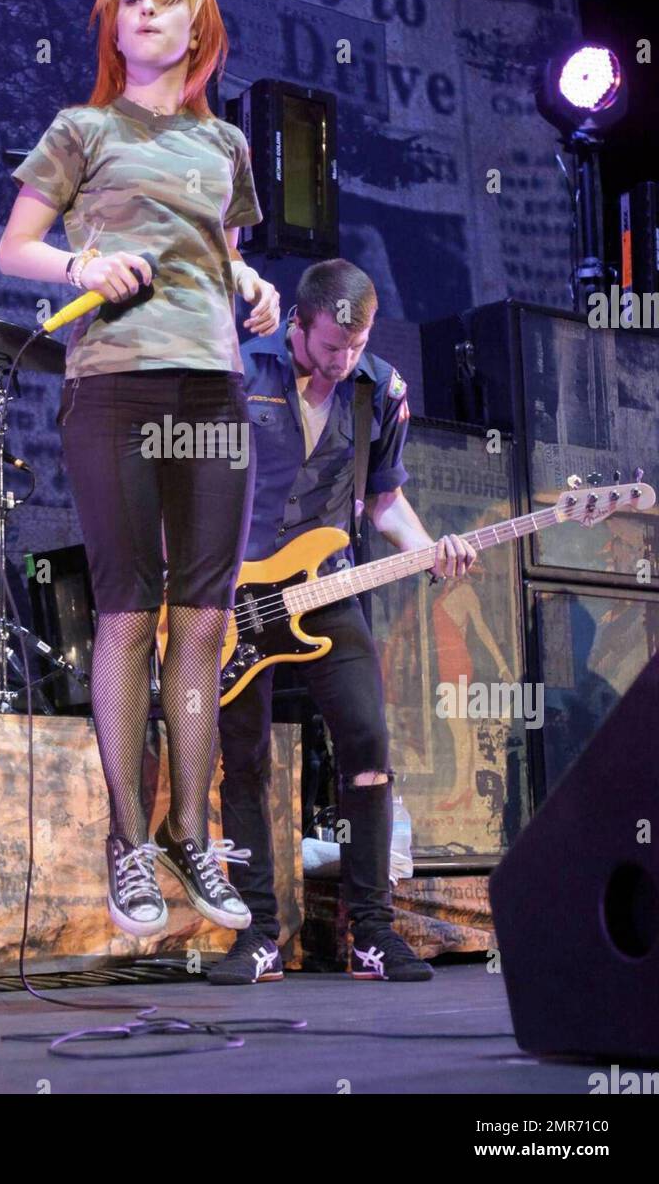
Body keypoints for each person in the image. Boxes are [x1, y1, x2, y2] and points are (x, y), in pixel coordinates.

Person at [0, 0, 280, 938]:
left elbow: (224, 257)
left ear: (196, 27)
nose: (146, 14)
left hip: (213, 389)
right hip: (113, 386)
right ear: (112, 26)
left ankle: (190, 836)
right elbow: (14, 246)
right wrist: (83, 259)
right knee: (127, 614)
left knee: (203, 621)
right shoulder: (81, 129)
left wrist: (254, 290)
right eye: (129, 2)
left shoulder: (226, 146)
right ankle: (128, 839)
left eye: (166, 3)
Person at [209, 259, 477, 984]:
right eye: (331, 347)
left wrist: (430, 552)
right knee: (245, 763)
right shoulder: (238, 368)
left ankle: (372, 932)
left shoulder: (380, 390)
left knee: (367, 743)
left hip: (326, 587)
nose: (342, 361)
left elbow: (383, 499)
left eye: (355, 348)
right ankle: (257, 935)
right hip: (236, 596)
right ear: (298, 324)